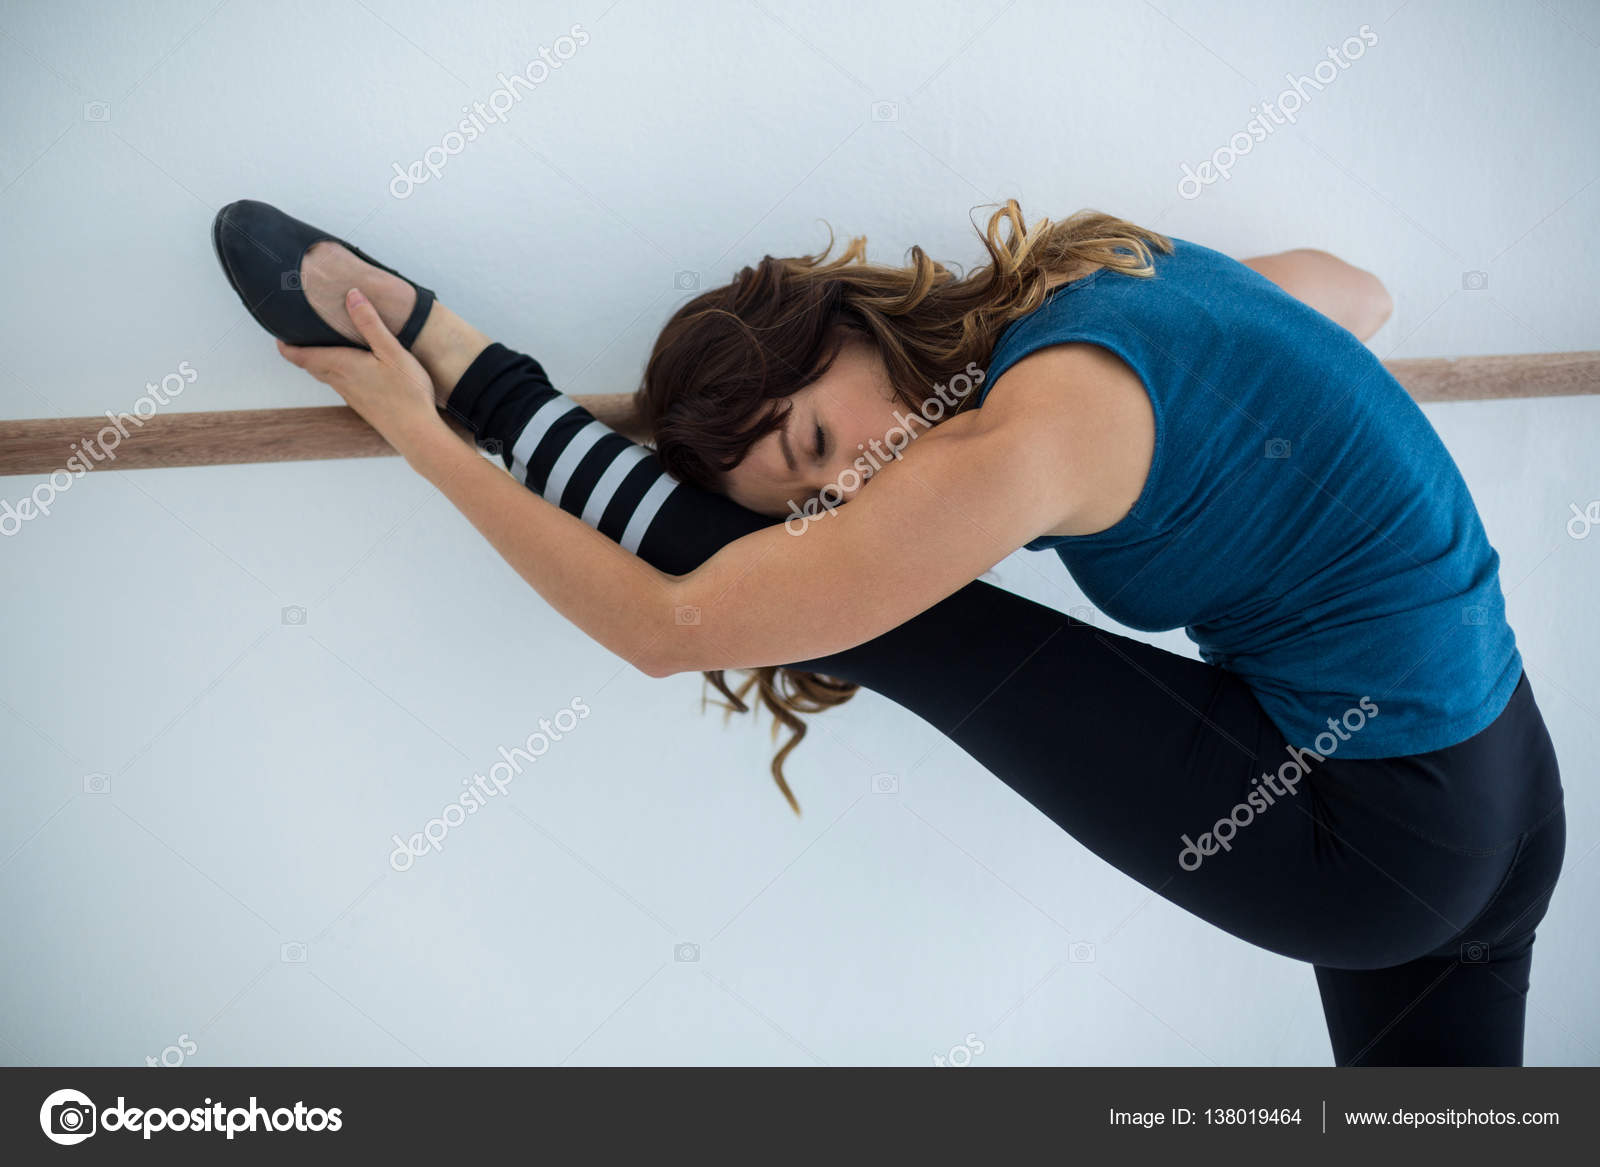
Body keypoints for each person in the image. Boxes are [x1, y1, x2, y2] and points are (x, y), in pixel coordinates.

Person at [213, 198, 1566, 1066]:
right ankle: (471, 365)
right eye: (803, 492)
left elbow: (670, 628)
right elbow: (1356, 291)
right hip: (1514, 793)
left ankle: (464, 369)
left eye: (815, 440)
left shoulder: (1022, 441)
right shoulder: (1116, 274)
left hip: (1376, 846)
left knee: (910, 627)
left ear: (852, 326)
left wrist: (415, 434)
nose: (843, 490)